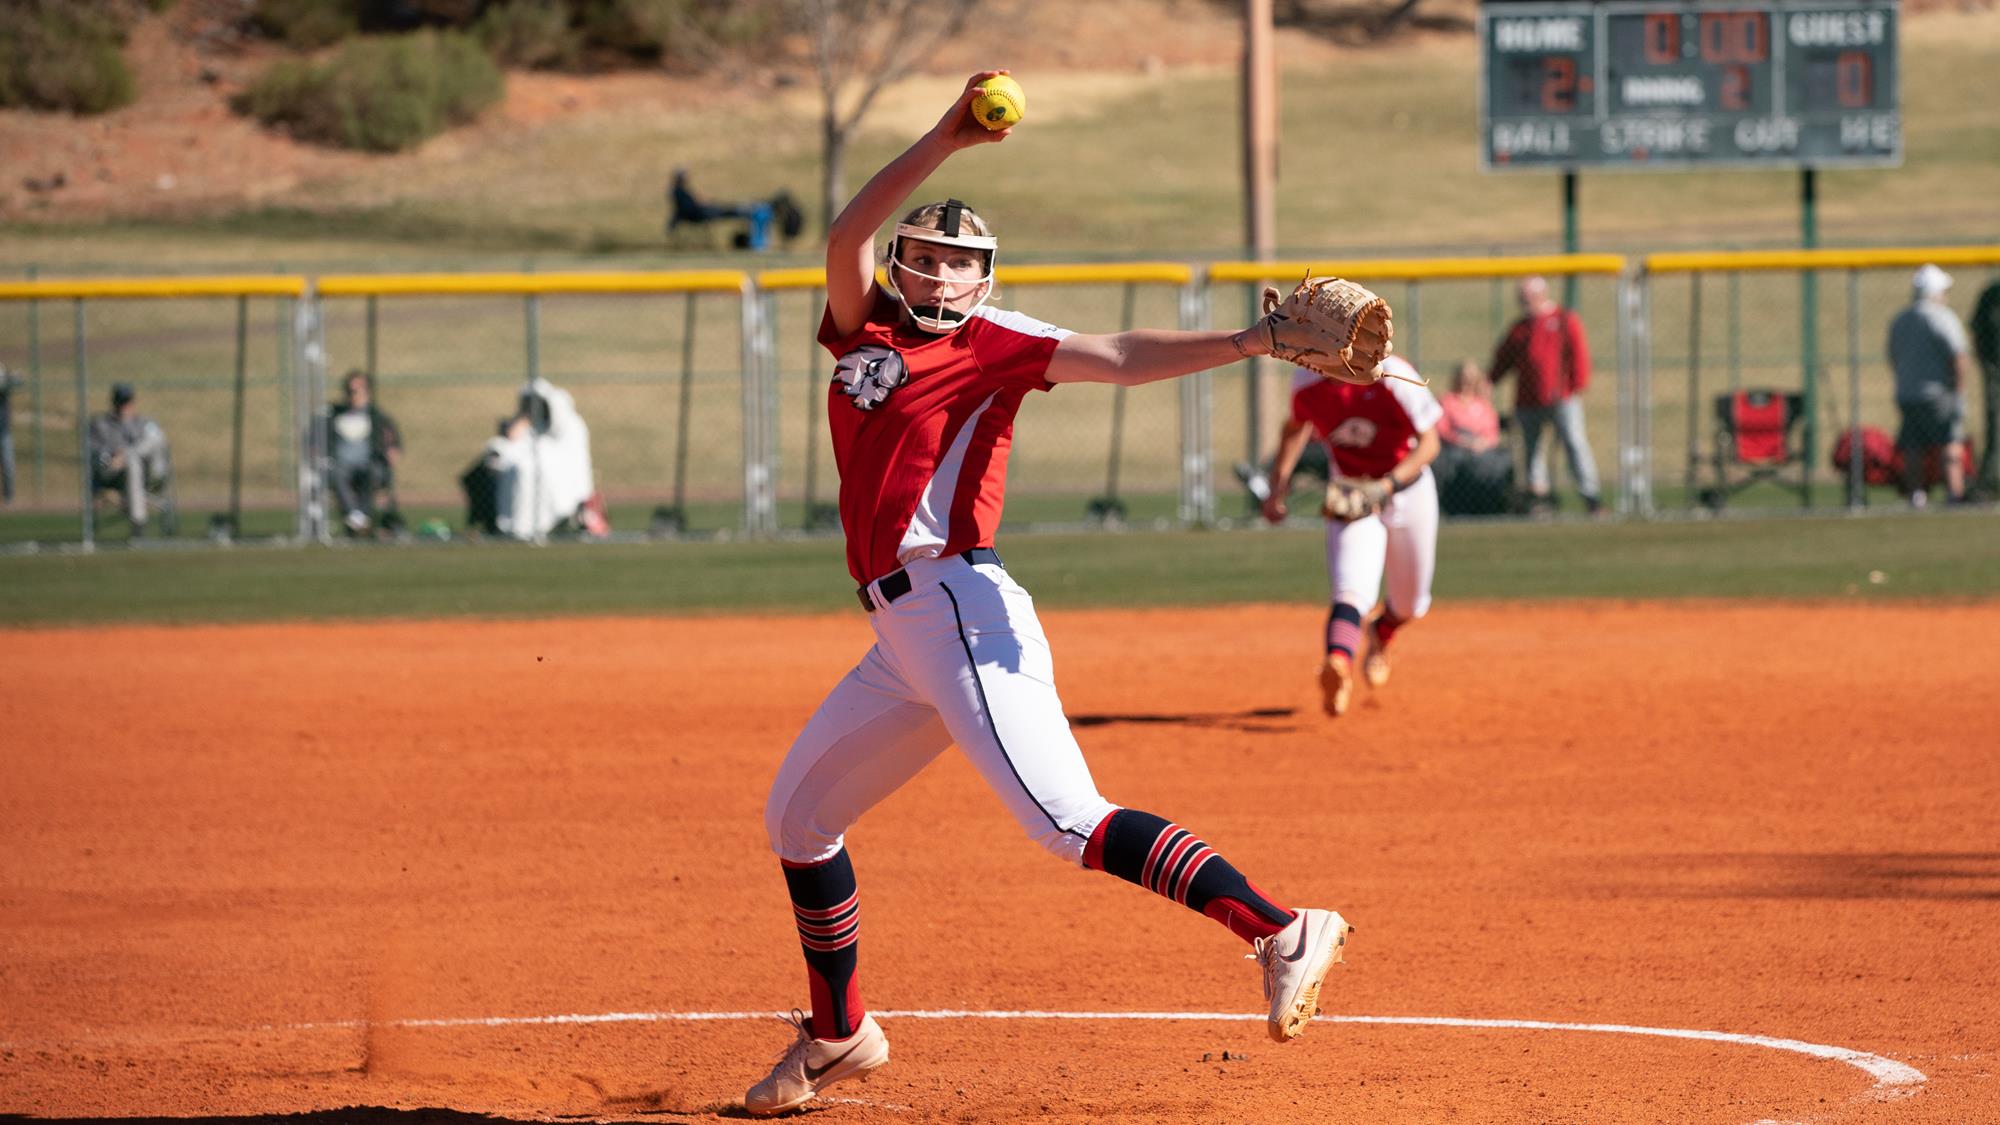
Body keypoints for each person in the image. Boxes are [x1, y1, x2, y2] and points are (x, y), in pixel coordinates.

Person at [746, 71, 1355, 1118]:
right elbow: (844, 234)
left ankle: (1279, 928)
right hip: (901, 634)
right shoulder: (863, 329)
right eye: (924, 254)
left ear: (985, 277)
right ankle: (841, 1035)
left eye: (961, 260)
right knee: (799, 820)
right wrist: (945, 137)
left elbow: (1115, 355)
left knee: (1067, 822)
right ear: (900, 263)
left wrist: (1249, 340)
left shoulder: (995, 343)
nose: (940, 271)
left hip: (957, 608)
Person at [1256, 355, 1442, 717]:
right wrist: (1278, 484)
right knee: (1350, 589)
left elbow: (1430, 443)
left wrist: (1387, 486)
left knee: (1410, 603)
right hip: (1350, 491)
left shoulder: (1393, 376)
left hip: (1408, 490)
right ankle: (1337, 665)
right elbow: (1295, 426)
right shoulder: (1307, 381)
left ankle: (1381, 632)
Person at [1489, 275, 1601, 515]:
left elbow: (1578, 356)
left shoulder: (1564, 320)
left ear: (1541, 295)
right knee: (1533, 451)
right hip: (1527, 400)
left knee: (1574, 443)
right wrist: (1489, 381)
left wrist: (1576, 386)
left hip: (1562, 398)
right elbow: (1503, 360)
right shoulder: (1520, 328)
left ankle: (1591, 496)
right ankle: (1538, 498)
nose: (1523, 302)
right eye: (1521, 298)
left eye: (1526, 297)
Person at [464, 377, 607, 540]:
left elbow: (553, 454)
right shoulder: (534, 427)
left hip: (561, 487)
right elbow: (510, 443)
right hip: (521, 478)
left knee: (526, 470)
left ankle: (532, 526)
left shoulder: (570, 426)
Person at [1887, 264, 1973, 507]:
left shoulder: (1901, 319)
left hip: (1908, 393)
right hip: (1939, 393)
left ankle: (1916, 495)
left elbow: (1893, 356)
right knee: (1950, 442)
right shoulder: (1942, 316)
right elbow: (1958, 356)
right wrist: (1959, 390)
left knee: (1913, 446)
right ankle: (1954, 493)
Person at [321, 369, 403, 535]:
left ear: (367, 391)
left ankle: (358, 520)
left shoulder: (377, 416)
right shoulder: (333, 414)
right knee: (336, 474)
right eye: (350, 390)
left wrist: (392, 451)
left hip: (369, 464)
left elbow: (392, 441)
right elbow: (316, 437)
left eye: (357, 390)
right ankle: (359, 520)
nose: (353, 394)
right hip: (340, 464)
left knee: (374, 473)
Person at [1431, 359, 1513, 516]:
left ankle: (1492, 506)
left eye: (1470, 378)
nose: (1466, 382)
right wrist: (1463, 441)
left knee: (1498, 461)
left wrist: (1483, 443)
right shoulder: (1447, 401)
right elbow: (1442, 429)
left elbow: (1492, 432)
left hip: (1481, 449)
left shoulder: (1483, 404)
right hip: (1454, 448)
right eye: (1463, 377)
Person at [87, 383, 171, 534]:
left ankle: (139, 521)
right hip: (110, 472)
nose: (123, 406)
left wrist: (125, 455)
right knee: (131, 462)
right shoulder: (100, 424)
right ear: (113, 402)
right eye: (120, 402)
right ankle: (138, 522)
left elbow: (157, 442)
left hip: (139, 472)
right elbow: (94, 451)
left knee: (145, 448)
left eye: (126, 401)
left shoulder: (143, 423)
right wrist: (112, 456)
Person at [1969, 274, 2000, 498]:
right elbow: (1977, 333)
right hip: (1995, 371)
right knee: (1995, 426)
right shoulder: (1990, 295)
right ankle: (1991, 481)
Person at [0, 361, 21, 504]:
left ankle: (8, 497)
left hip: (4, 431)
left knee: (8, 465)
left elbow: (18, 382)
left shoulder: (4, 386)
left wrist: (9, 379)